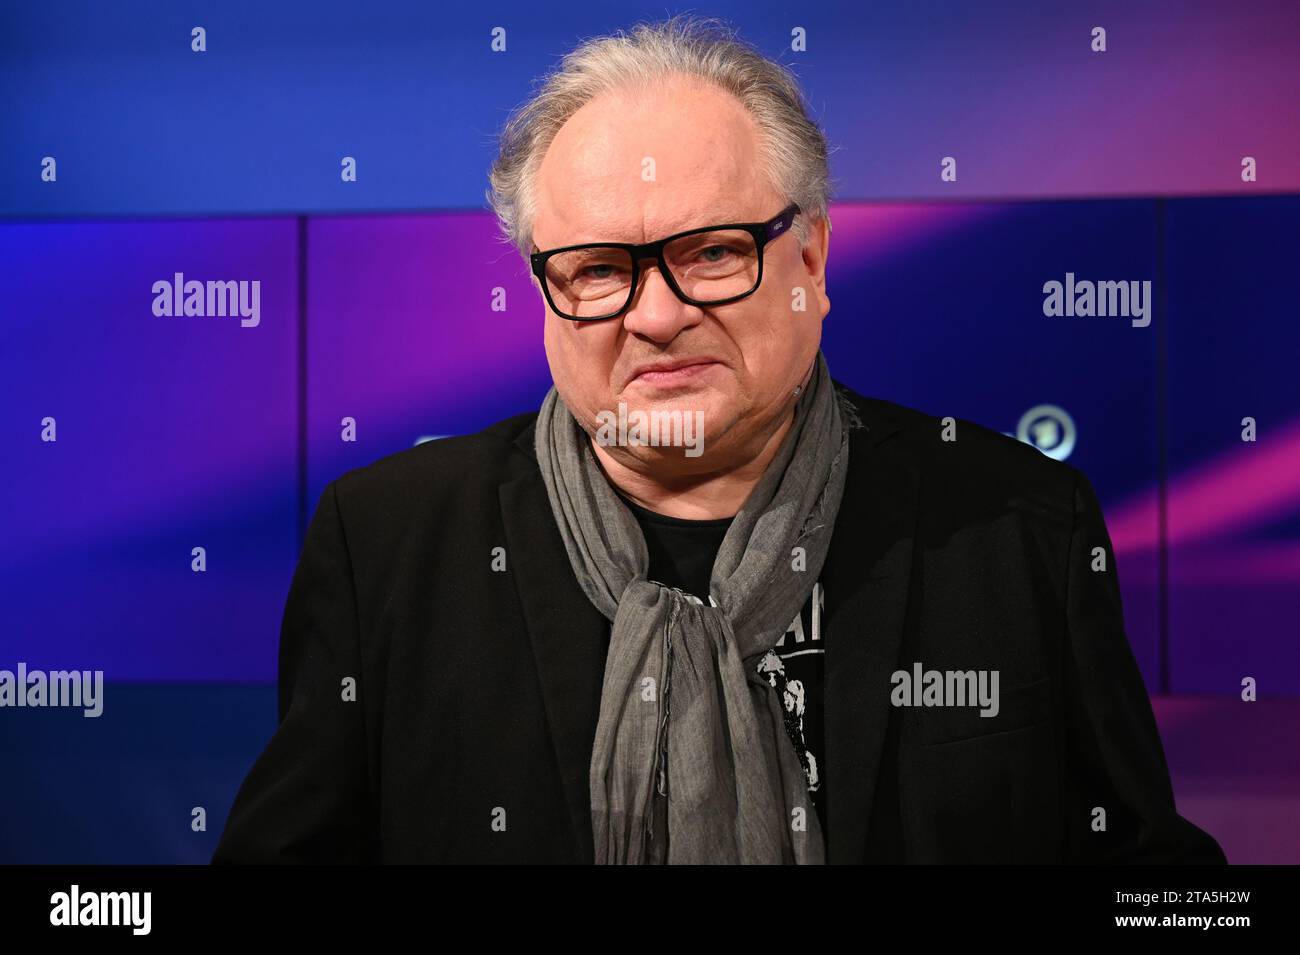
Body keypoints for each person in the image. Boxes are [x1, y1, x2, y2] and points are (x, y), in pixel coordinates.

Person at [212, 15, 1224, 865]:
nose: (655, 315)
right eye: (600, 268)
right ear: (545, 291)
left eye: (710, 251)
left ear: (811, 260)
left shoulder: (1018, 526)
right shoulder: (387, 540)